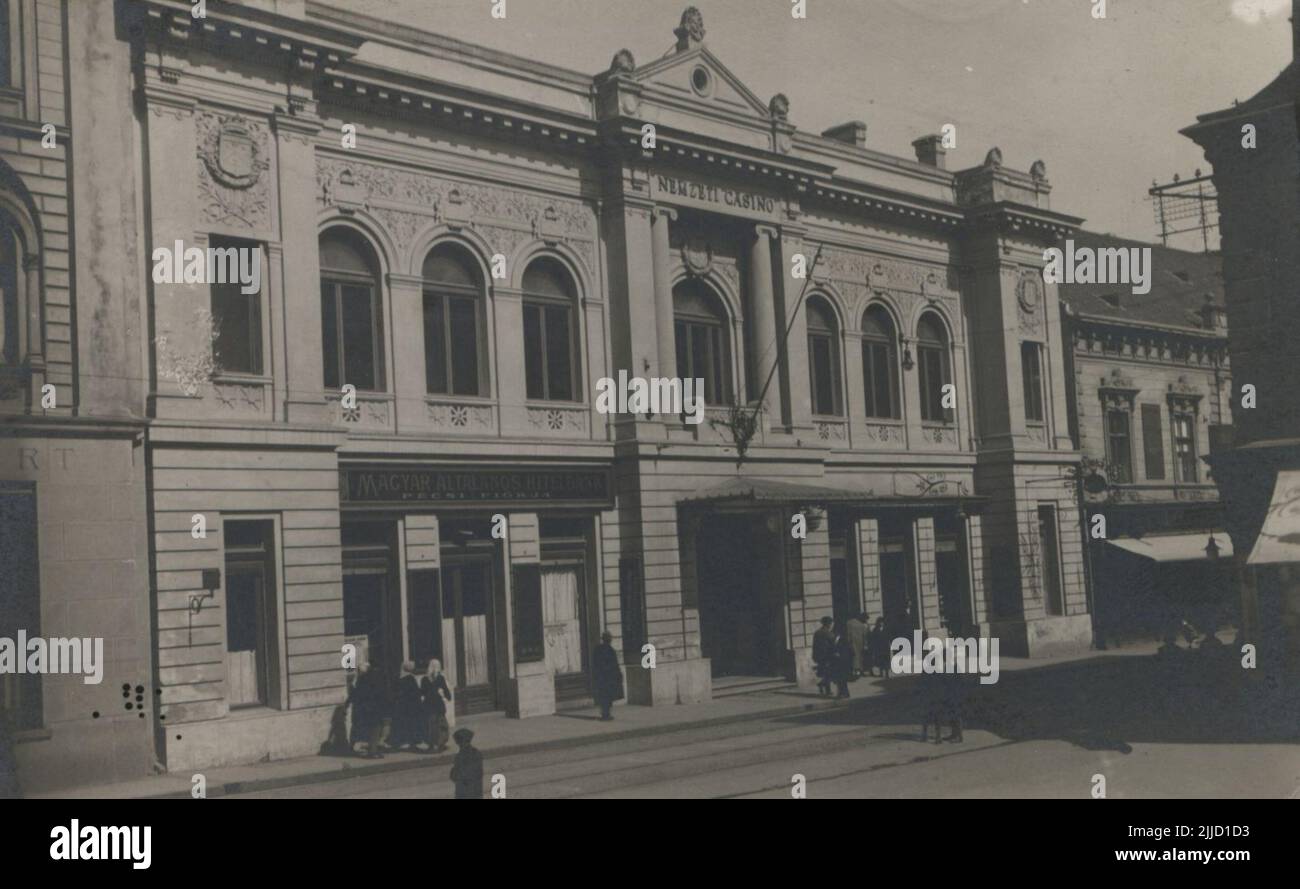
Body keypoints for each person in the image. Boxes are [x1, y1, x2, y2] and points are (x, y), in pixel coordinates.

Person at [350, 662, 387, 759]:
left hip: (367, 708)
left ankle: (372, 750)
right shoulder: (370, 679)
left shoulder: (360, 680)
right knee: (375, 729)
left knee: (372, 729)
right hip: (373, 708)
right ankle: (372, 751)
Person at [390, 661, 425, 751]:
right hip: (412, 705)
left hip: (401, 705)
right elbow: (416, 692)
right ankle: (412, 741)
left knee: (403, 723)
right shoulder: (410, 678)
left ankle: (403, 741)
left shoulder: (399, 677)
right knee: (412, 723)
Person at [422, 658, 453, 753]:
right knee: (441, 725)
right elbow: (446, 691)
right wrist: (448, 697)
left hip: (428, 704)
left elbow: (422, 692)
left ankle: (431, 745)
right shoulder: (440, 678)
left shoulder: (424, 679)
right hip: (438, 704)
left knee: (430, 725)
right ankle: (439, 744)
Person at [592, 631, 624, 720]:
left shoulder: (598, 649)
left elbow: (595, 663)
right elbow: (615, 665)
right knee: (608, 696)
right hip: (609, 677)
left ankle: (605, 713)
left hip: (602, 677)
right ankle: (606, 714)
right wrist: (619, 675)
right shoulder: (610, 650)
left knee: (604, 696)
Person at [449, 728, 484, 799]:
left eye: (459, 743)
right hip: (475, 791)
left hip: (464, 792)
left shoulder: (459, 756)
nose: (459, 745)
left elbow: (455, 775)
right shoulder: (477, 753)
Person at [812, 616, 835, 695]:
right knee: (829, 672)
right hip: (827, 656)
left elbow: (814, 646)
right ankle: (824, 686)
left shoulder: (817, 632)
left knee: (826, 672)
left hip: (819, 656)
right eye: (831, 623)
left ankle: (824, 687)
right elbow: (833, 643)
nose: (832, 625)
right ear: (828, 624)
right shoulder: (828, 633)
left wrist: (814, 656)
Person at [832, 624, 854, 699]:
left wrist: (840, 655)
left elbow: (849, 651)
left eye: (835, 631)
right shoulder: (835, 639)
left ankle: (844, 693)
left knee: (842, 679)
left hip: (843, 662)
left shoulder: (843, 640)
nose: (834, 633)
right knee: (839, 679)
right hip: (837, 663)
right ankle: (843, 693)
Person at [846, 612, 868, 678]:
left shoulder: (848, 623)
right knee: (859, 657)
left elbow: (848, 634)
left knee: (853, 657)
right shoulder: (862, 625)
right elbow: (865, 636)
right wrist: (865, 644)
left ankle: (854, 671)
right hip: (860, 643)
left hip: (852, 643)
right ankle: (858, 671)